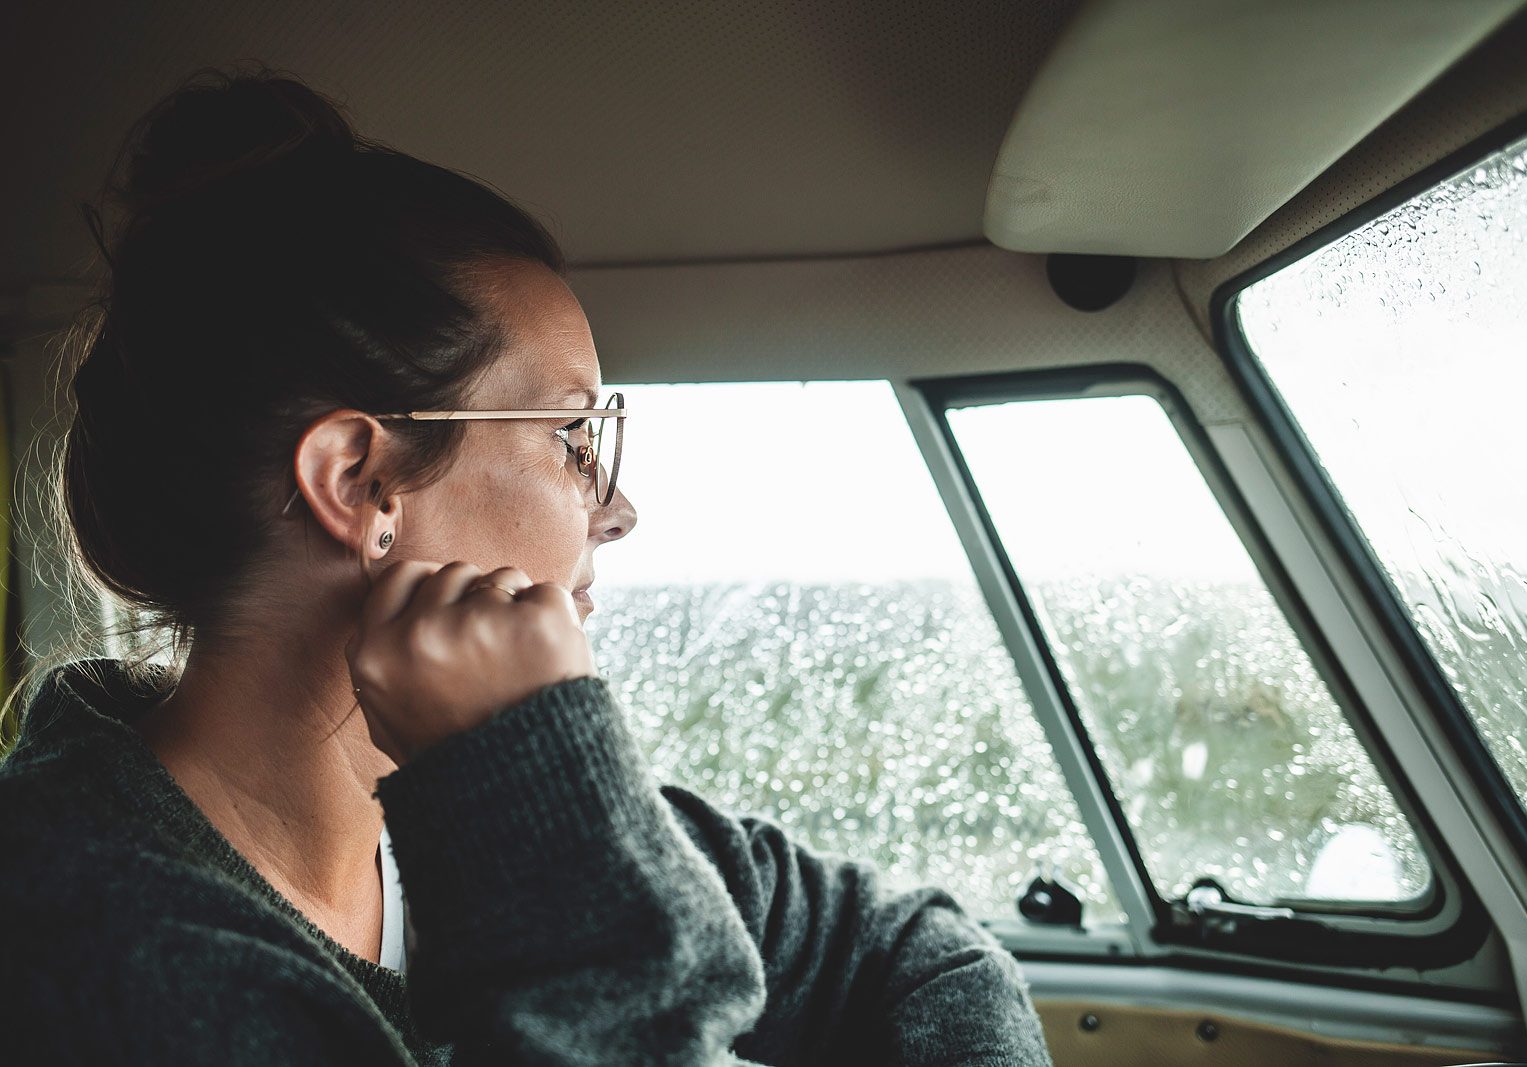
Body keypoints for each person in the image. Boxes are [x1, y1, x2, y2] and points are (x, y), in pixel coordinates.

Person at [0, 69, 1053, 1065]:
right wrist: (528, 768)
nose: (620, 509)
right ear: (361, 480)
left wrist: (519, 787)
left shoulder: (484, 808)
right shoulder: (102, 957)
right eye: (573, 439)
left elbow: (924, 951)